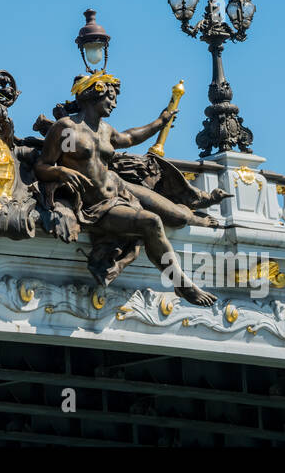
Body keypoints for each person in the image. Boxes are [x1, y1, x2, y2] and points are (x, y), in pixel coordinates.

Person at [34, 71, 230, 304]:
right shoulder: (67, 129)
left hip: (118, 187)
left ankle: (192, 214)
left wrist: (160, 122)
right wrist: (60, 170)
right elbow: (43, 165)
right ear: (94, 94)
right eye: (110, 97)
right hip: (96, 206)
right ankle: (181, 284)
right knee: (152, 222)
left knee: (177, 217)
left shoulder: (105, 130)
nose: (114, 104)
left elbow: (128, 138)